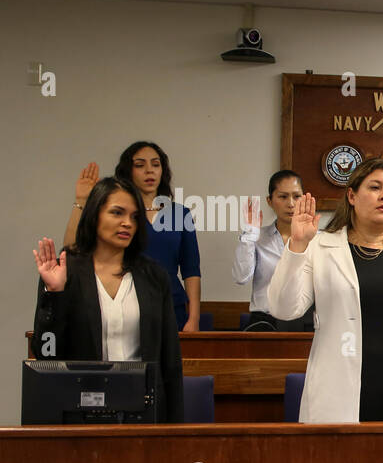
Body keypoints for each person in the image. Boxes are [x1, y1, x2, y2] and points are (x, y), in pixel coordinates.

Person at [267, 158, 383, 423]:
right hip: (336, 393)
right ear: (352, 195)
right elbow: (283, 309)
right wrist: (297, 246)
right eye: (375, 187)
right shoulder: (320, 246)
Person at [34, 177, 183, 422]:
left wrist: (176, 430)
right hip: (81, 413)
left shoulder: (153, 275)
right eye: (117, 213)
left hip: (143, 413)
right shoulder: (65, 269)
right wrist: (55, 295)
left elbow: (170, 362)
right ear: (94, 215)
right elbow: (46, 354)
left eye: (135, 217)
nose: (127, 223)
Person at [63, 147, 202, 332]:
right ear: (128, 171)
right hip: (125, 302)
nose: (149, 170)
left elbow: (191, 270)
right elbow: (72, 250)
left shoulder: (180, 214)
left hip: (170, 305)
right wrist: (81, 200)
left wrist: (194, 318)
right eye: (140, 165)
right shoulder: (118, 215)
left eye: (155, 164)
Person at [232, 170, 314, 331]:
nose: (291, 203)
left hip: (307, 322)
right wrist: (250, 235)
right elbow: (241, 277)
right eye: (283, 197)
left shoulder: (317, 238)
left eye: (296, 196)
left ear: (304, 198)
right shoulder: (257, 236)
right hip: (265, 321)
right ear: (270, 201)